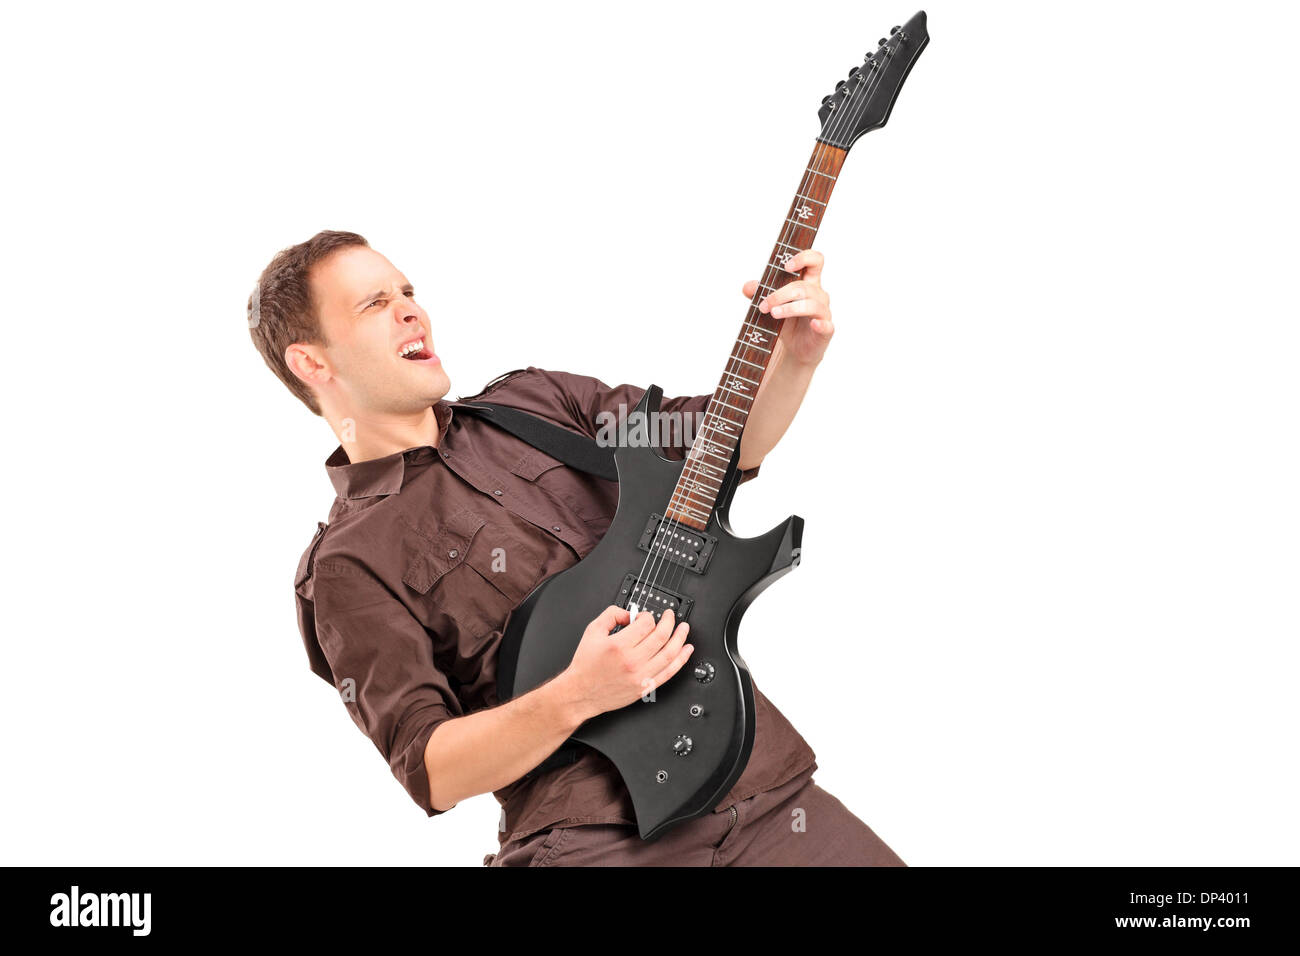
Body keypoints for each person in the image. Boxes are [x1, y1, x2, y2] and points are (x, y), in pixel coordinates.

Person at [247, 229, 905, 866]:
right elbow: (431, 769)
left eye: (407, 290)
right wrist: (579, 693)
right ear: (312, 362)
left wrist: (795, 355)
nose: (410, 310)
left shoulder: (537, 401)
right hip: (594, 837)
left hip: (764, 792)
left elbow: (720, 442)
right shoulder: (344, 566)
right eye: (375, 304)